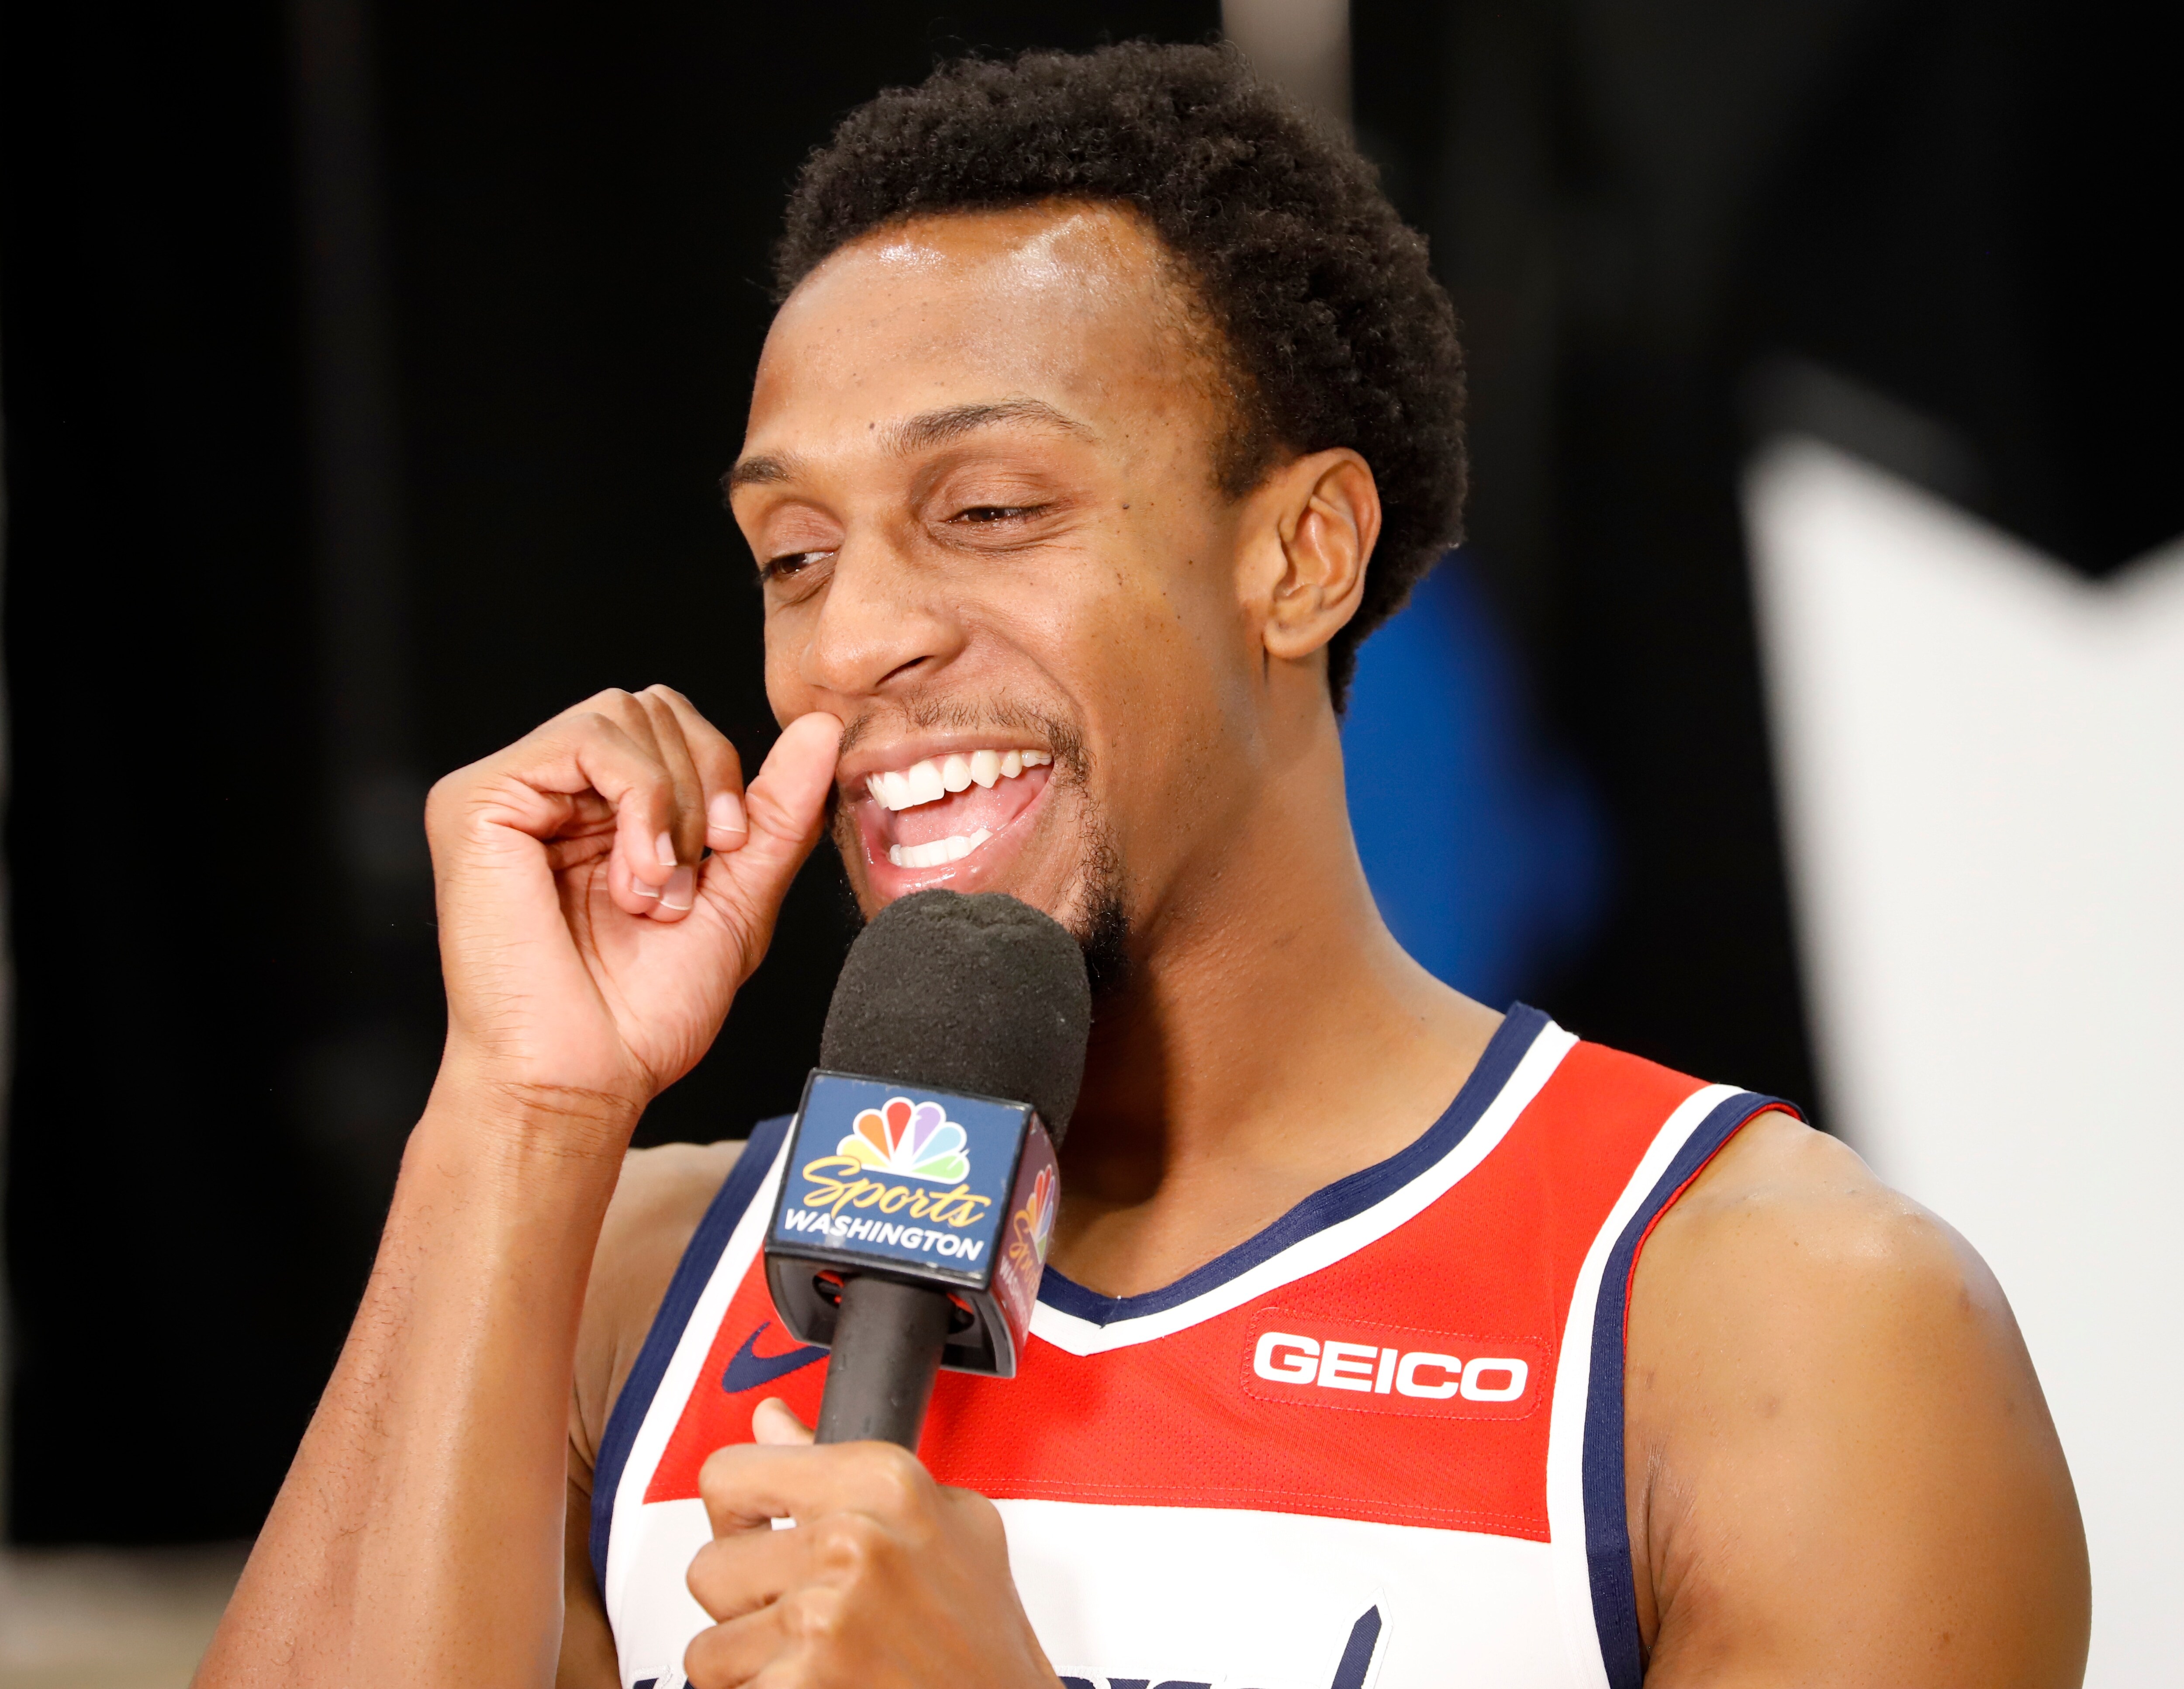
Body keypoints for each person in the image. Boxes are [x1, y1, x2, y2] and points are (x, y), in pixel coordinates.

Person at [197, 43, 2087, 1689]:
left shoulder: (1779, 1320)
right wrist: (519, 1116)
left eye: (989, 510)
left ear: (1301, 556)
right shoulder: (626, 1273)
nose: (849, 644)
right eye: (791, 555)